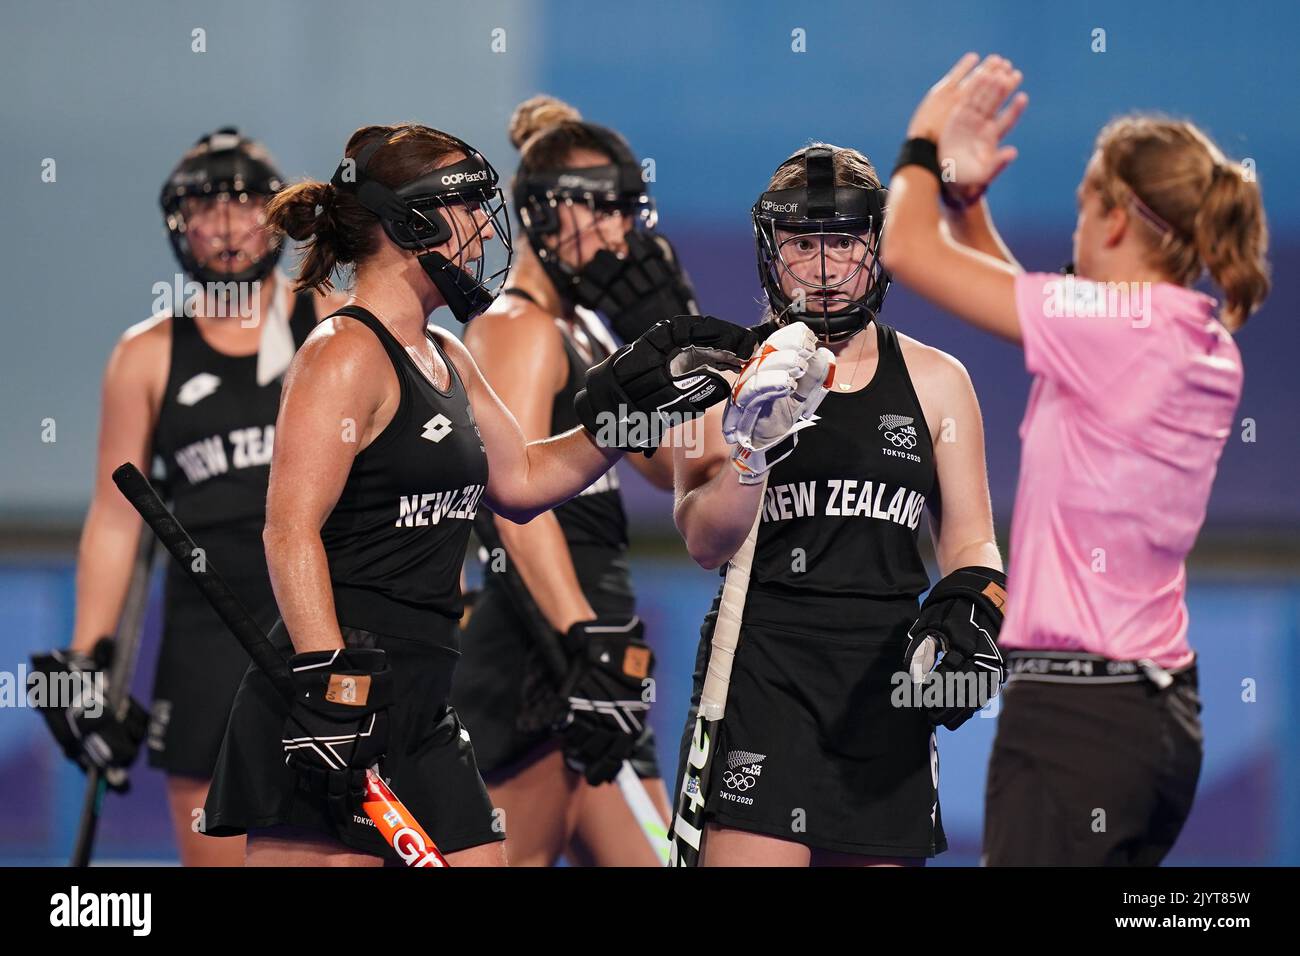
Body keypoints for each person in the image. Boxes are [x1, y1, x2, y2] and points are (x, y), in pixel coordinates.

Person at [198, 122, 754, 866]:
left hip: (425, 702)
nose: (482, 235)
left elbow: (523, 480)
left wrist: (630, 412)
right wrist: (328, 679)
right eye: (467, 213)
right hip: (339, 698)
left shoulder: (447, 353)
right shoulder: (343, 354)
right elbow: (288, 530)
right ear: (411, 221)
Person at [883, 54, 1270, 864]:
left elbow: (906, 249)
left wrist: (922, 143)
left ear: (1120, 219)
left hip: (1073, 721)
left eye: (1084, 205)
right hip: (1158, 722)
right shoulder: (1189, 333)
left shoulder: (1109, 329)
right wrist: (970, 200)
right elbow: (1034, 305)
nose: (1075, 227)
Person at [670, 141, 1006, 866]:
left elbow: (973, 544)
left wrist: (971, 613)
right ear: (772, 250)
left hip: (886, 687)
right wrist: (749, 452)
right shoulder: (725, 373)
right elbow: (703, 542)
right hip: (761, 680)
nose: (824, 269)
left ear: (878, 246)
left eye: (845, 242)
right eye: (802, 243)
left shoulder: (940, 381)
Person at [29, 128, 339, 866]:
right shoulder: (146, 353)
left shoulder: (328, 322)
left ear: (278, 217)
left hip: (322, 615)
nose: (228, 227)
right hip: (204, 638)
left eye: (245, 206)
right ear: (181, 225)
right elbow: (115, 520)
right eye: (207, 209)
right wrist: (85, 659)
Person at [453, 96, 696, 866]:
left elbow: (668, 465)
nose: (625, 234)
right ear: (549, 217)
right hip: (546, 641)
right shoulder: (516, 326)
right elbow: (514, 504)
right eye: (607, 211)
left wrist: (670, 337)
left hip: (593, 629)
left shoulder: (587, 327)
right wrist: (579, 638)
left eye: (630, 211)